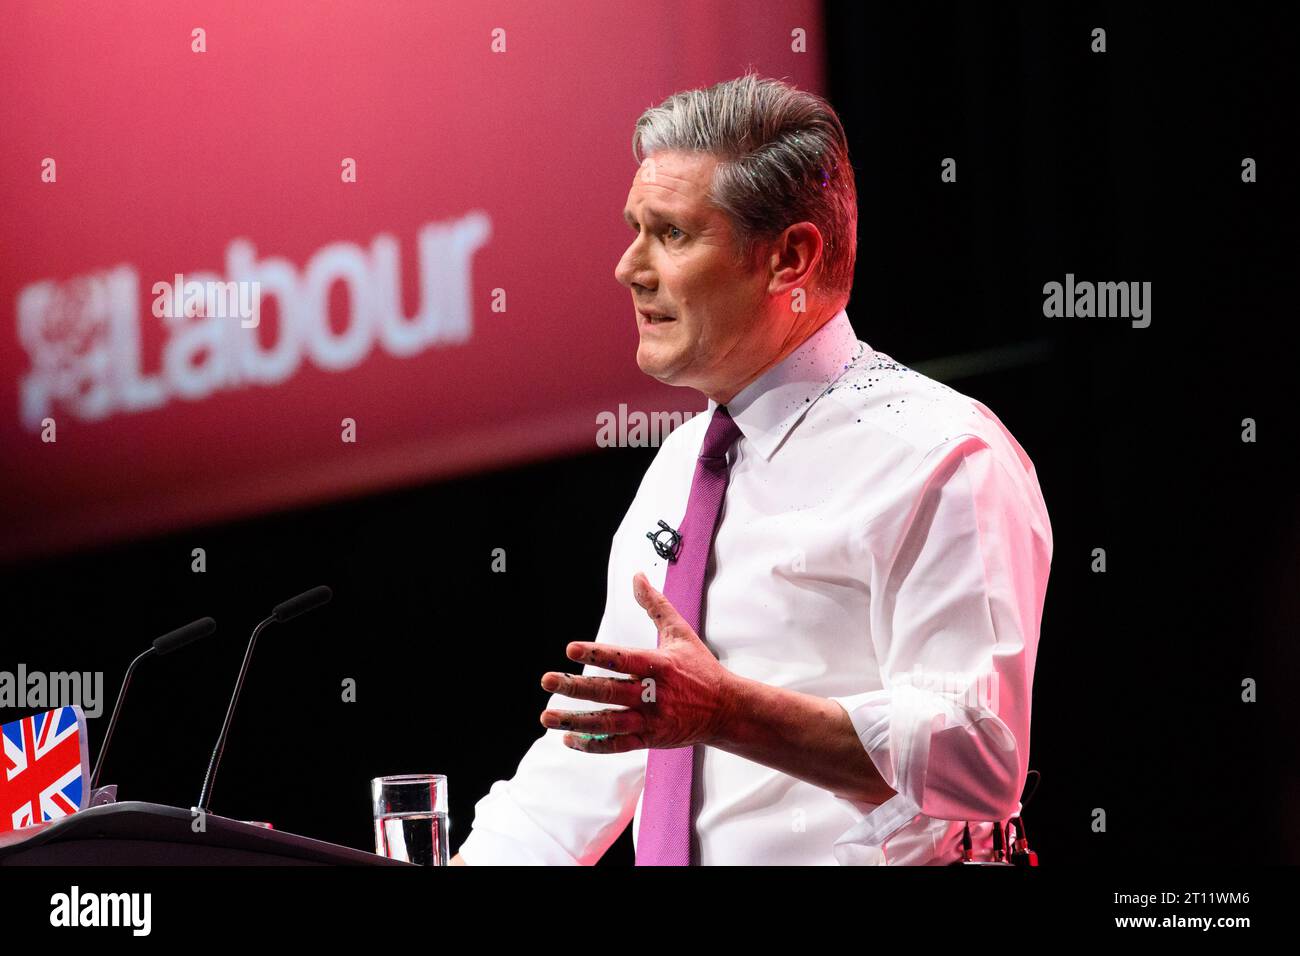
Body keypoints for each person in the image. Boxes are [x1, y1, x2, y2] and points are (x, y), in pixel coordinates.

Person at [451, 72, 1052, 865]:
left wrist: (725, 712)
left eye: (670, 234)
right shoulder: (677, 466)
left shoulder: (939, 453)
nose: (628, 268)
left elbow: (979, 756)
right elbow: (589, 762)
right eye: (634, 229)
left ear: (789, 258)